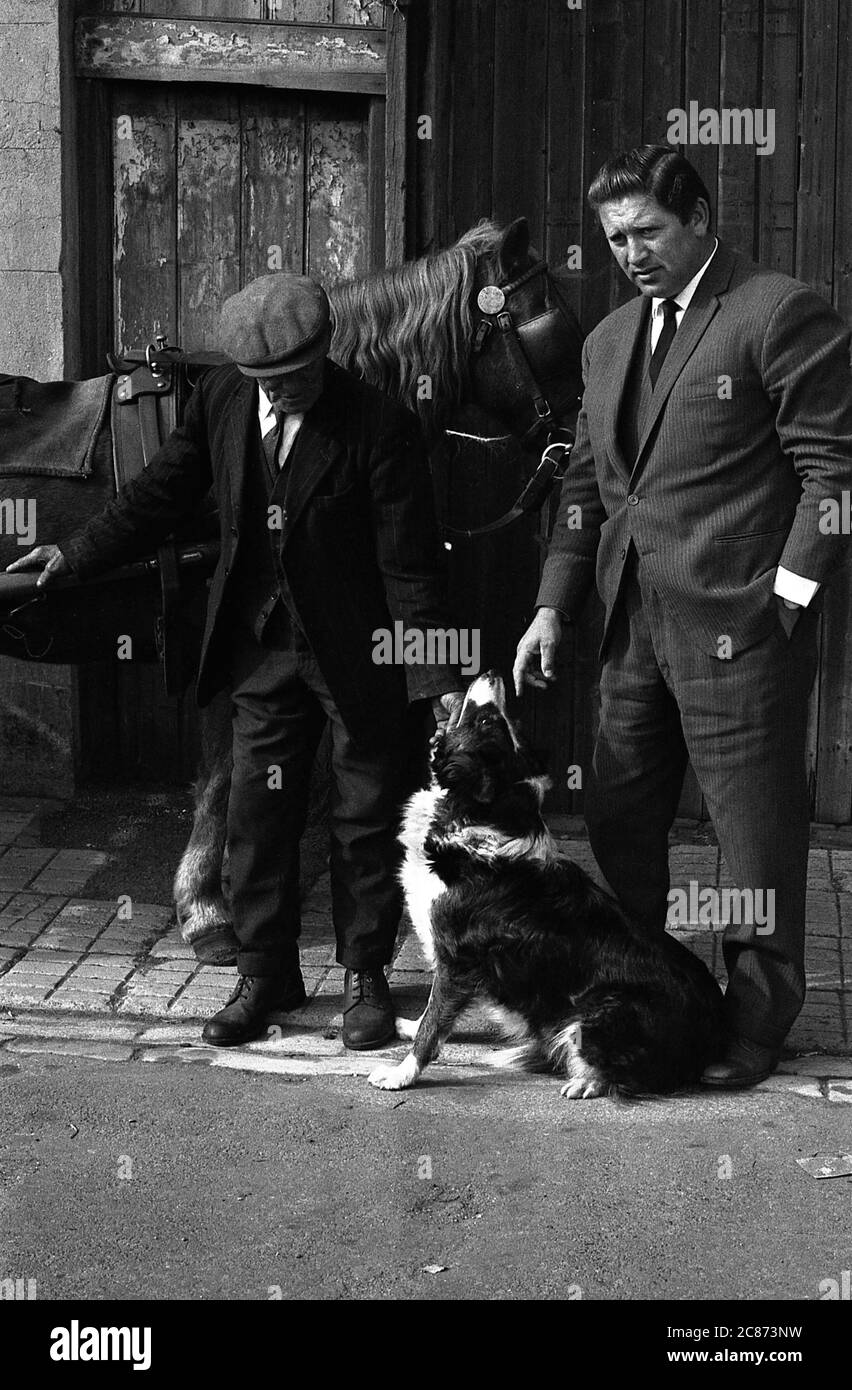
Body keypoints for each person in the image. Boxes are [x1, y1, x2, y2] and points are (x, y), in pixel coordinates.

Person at [10, 273, 465, 1050]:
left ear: (326, 355)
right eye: (267, 382)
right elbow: (160, 492)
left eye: (296, 378)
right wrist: (78, 553)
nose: (282, 394)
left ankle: (364, 976)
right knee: (257, 816)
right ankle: (267, 973)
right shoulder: (221, 401)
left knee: (362, 822)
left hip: (359, 660)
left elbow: (409, 571)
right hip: (261, 650)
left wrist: (436, 679)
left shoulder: (378, 426)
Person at [514, 146, 852, 1088]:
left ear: (700, 217)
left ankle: (754, 1025)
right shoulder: (607, 339)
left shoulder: (776, 313)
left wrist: (785, 598)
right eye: (615, 238)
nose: (630, 252)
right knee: (621, 827)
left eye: (647, 232)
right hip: (628, 630)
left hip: (741, 629)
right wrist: (552, 606)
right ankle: (642, 1001)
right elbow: (587, 486)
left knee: (752, 838)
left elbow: (836, 472)